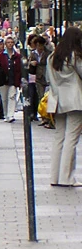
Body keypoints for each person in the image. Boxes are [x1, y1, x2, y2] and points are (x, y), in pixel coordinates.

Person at [46, 26, 82, 187]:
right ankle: (67, 177)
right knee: (71, 139)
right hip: (75, 100)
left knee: (59, 138)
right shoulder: (75, 56)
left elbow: (49, 78)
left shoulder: (53, 57)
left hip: (57, 99)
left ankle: (55, 176)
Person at [0, 36, 22, 124]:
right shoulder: (1, 56)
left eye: (11, 42)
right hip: (3, 80)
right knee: (4, 98)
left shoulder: (17, 56)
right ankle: (6, 114)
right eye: (8, 42)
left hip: (13, 80)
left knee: (12, 96)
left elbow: (19, 69)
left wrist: (18, 81)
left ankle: (11, 115)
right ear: (5, 44)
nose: (10, 44)